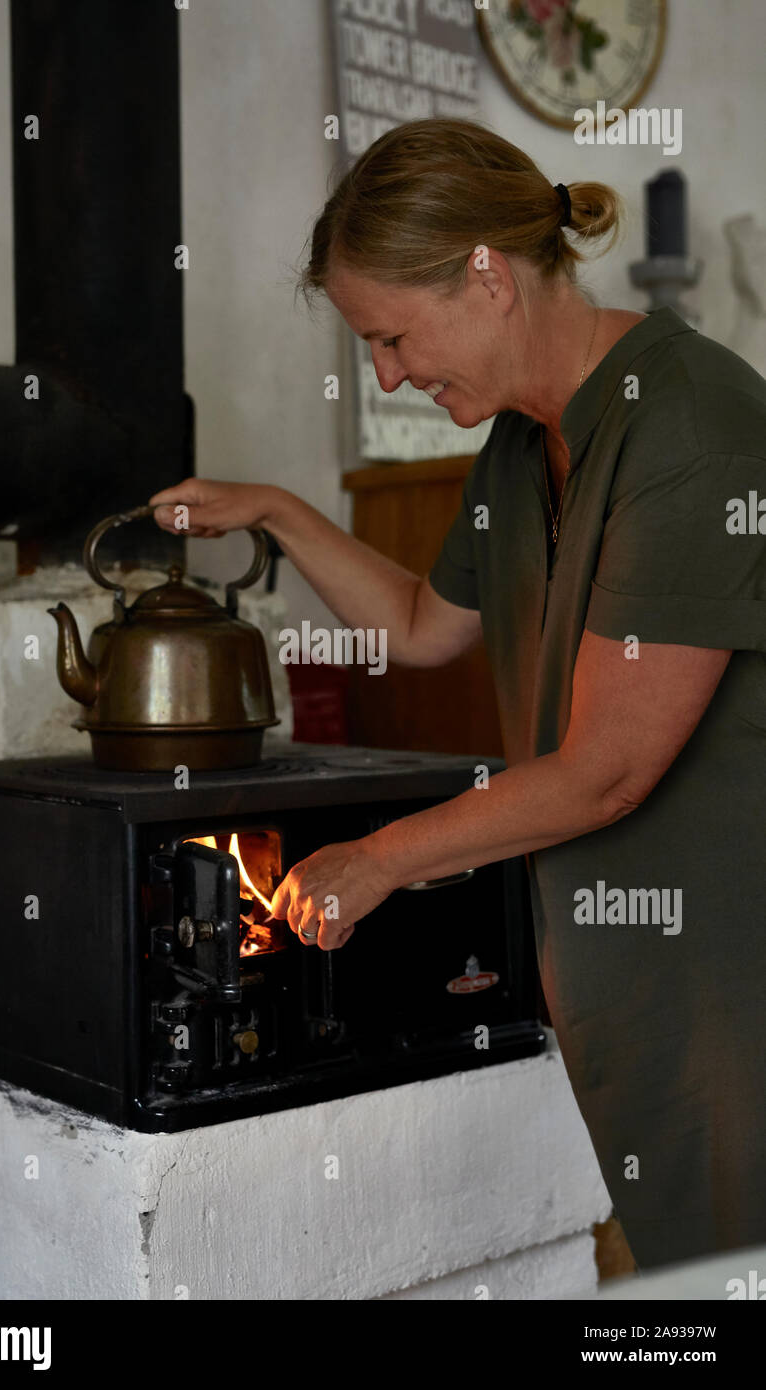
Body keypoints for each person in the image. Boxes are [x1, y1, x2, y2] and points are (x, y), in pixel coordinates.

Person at [151, 118, 766, 1273]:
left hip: (731, 988)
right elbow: (421, 629)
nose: (386, 373)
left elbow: (607, 768)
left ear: (485, 272)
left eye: (390, 336)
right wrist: (277, 509)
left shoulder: (689, 430)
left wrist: (380, 857)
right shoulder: (522, 447)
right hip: (622, 989)